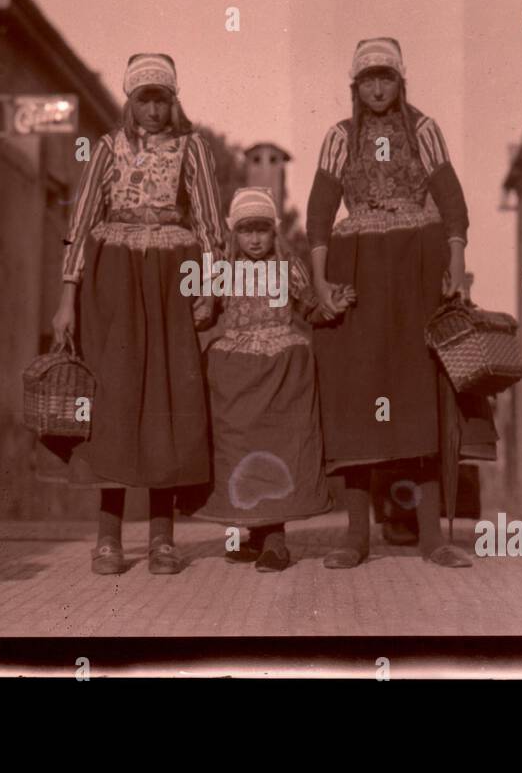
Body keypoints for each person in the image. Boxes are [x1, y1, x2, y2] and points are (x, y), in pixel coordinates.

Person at [51, 52, 224, 576]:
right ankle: (107, 539)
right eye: (144, 98)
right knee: (115, 399)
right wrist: (66, 299)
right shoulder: (106, 148)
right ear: (130, 101)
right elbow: (81, 222)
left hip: (172, 277)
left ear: (174, 102)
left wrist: (210, 289)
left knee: (166, 398)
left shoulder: (192, 149)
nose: (153, 109)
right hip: (112, 281)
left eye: (162, 98)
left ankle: (163, 539)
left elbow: (213, 221)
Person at [307, 37, 476, 568]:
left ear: (400, 82)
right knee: (357, 397)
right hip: (357, 269)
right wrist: (319, 283)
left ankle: (430, 535)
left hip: (416, 269)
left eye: (386, 78)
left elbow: (453, 206)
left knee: (418, 393)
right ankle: (356, 536)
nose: (377, 88)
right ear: (354, 87)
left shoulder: (424, 130)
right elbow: (318, 214)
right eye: (367, 80)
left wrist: (455, 265)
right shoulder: (339, 137)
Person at [177, 187, 350, 572]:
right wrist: (198, 310)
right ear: (233, 233)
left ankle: (275, 541)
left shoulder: (288, 267)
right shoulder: (221, 269)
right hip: (234, 373)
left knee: (278, 449)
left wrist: (330, 306)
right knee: (237, 451)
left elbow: (308, 305)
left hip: (281, 373)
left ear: (275, 232)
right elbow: (207, 311)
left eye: (262, 230)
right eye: (245, 230)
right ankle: (249, 533)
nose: (254, 239)